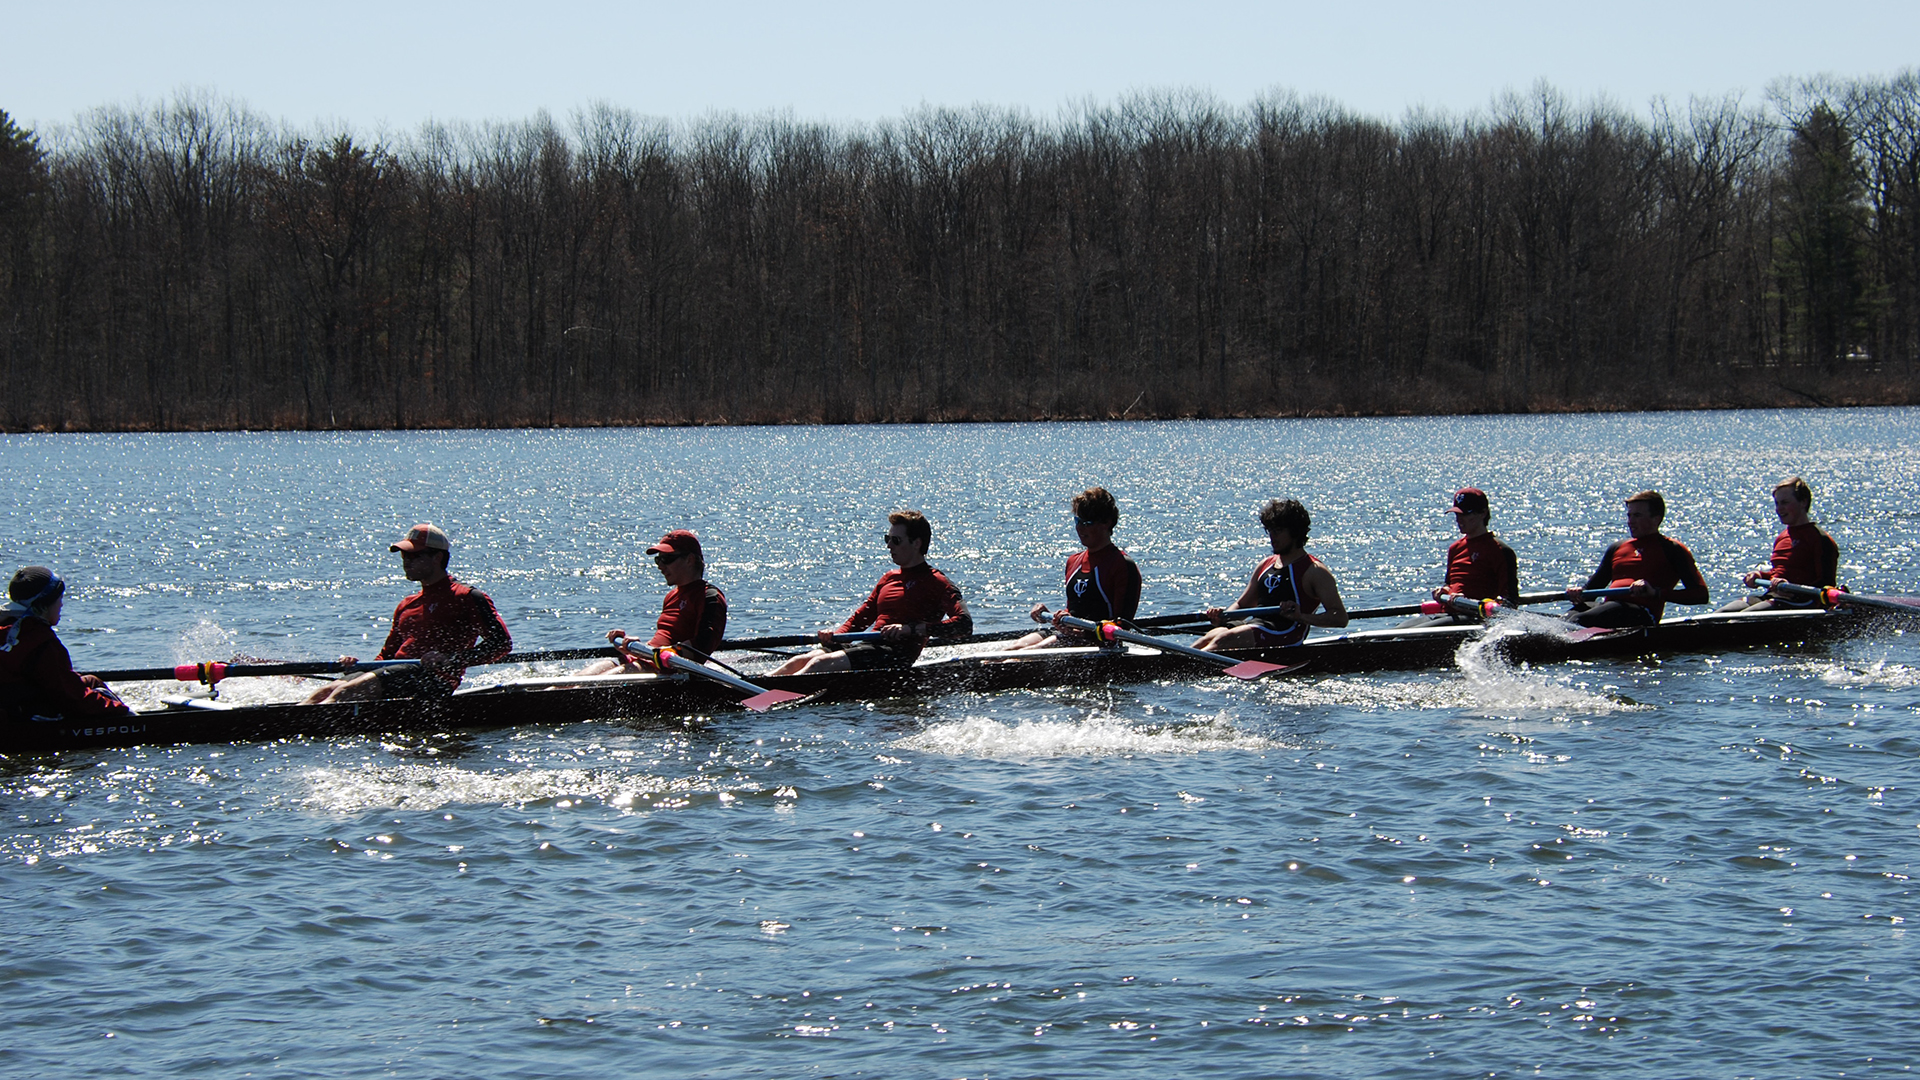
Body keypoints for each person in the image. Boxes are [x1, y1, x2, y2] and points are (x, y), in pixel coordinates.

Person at [305, 523, 512, 704]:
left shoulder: (467, 596)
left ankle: (307, 730)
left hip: (434, 679)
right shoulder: (407, 604)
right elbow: (387, 656)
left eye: (414, 556)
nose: (406, 561)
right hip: (397, 674)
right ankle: (291, 720)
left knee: (345, 691)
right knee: (326, 690)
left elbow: (501, 644)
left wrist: (451, 659)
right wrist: (358, 667)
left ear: (437, 558)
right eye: (404, 555)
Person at [769, 510, 972, 675]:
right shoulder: (888, 578)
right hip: (870, 646)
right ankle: (758, 687)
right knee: (800, 660)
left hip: (894, 655)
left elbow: (964, 624)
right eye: (887, 538)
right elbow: (861, 617)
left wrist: (911, 629)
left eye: (896, 540)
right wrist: (835, 636)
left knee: (818, 665)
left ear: (916, 543)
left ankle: (771, 696)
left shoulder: (937, 582)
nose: (888, 545)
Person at [1194, 498, 1348, 652]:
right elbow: (1242, 605)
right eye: (1270, 530)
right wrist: (1222, 616)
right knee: (1211, 636)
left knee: (1224, 639)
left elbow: (1340, 617)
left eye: (1278, 531)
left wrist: (1301, 616)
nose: (1272, 537)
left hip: (1286, 635)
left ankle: (1189, 670)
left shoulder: (1315, 571)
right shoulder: (1265, 565)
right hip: (1257, 627)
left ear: (1295, 531)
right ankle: (1178, 669)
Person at [1007, 487, 1142, 650]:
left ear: (1106, 523)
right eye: (1078, 522)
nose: (1081, 529)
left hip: (1098, 643)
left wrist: (1078, 632)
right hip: (1071, 635)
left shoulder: (1122, 564)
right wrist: (1052, 616)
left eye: (1087, 523)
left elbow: (1122, 627)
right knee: (1011, 649)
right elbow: (1076, 609)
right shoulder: (1073, 561)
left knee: (1021, 656)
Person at [580, 529, 728, 674]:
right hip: (644, 658)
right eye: (658, 559)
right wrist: (634, 646)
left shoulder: (709, 596)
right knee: (571, 682)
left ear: (690, 560)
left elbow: (702, 647)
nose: (660, 566)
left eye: (667, 559)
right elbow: (664, 639)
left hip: (667, 669)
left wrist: (661, 654)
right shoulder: (671, 596)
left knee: (590, 687)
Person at [0, 566, 134, 722]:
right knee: (109, 704)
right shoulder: (41, 641)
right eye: (59, 599)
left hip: (14, 704)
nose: (61, 605)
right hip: (26, 719)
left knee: (91, 681)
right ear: (43, 606)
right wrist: (122, 711)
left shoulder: (5, 627)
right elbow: (74, 700)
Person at [1564, 491, 1709, 628]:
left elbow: (1700, 595)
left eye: (1637, 515)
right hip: (1610, 609)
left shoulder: (1672, 549)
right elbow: (1592, 590)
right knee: (1565, 620)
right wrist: (1578, 593)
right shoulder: (1617, 547)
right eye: (1629, 515)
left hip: (1641, 613)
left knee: (1579, 621)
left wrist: (1656, 593)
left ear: (1656, 519)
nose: (1630, 522)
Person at [1400, 487, 1521, 627]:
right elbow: (1450, 584)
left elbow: (1510, 602)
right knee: (1389, 635)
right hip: (1448, 613)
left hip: (1474, 618)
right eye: (1457, 514)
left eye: (1465, 515)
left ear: (1483, 513)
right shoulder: (1455, 548)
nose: (1459, 520)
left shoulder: (1500, 550)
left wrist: (1473, 602)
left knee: (1403, 639)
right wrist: (1445, 591)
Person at [1719, 477, 1840, 612]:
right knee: (1718, 617)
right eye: (1777, 503)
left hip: (1802, 602)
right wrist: (1760, 576)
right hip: (1774, 596)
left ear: (1803, 502)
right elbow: (1779, 572)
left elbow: (1826, 584)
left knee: (1740, 620)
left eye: (1785, 503)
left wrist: (1791, 588)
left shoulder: (1820, 539)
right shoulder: (1783, 537)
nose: (1779, 509)